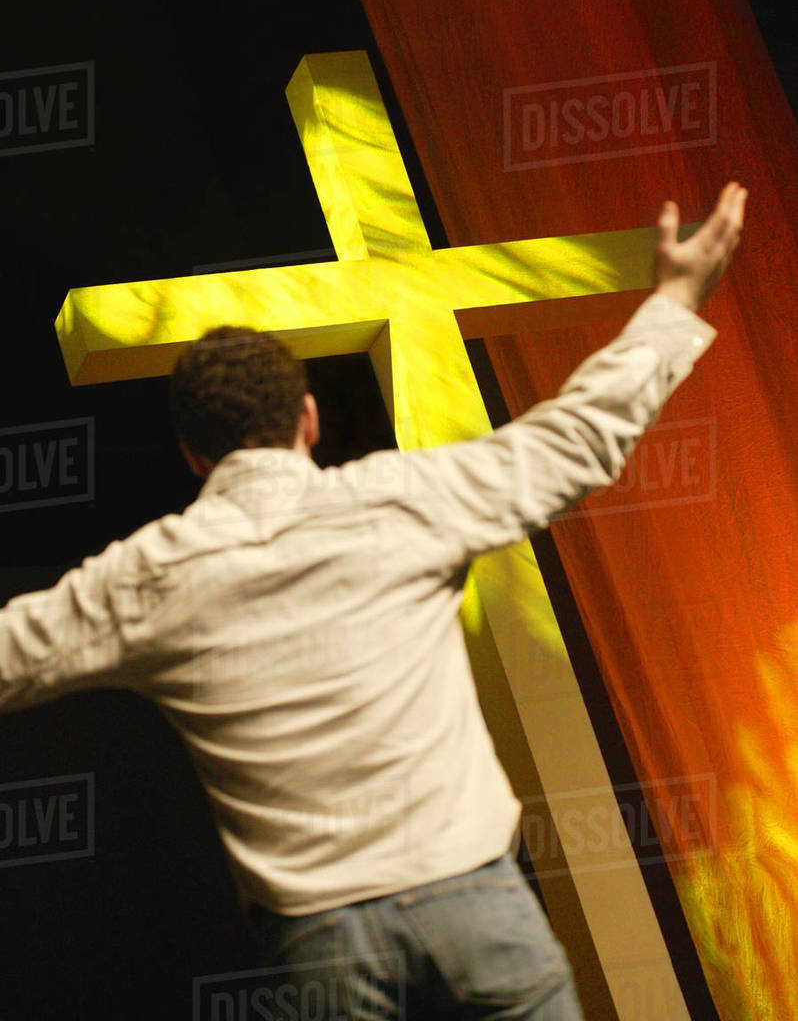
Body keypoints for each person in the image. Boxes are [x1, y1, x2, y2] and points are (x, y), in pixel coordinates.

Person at [0, 183, 746, 1018]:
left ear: (191, 453)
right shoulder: (401, 497)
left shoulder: (146, 575)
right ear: (309, 420)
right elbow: (572, 439)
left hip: (324, 949)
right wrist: (676, 300)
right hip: (478, 906)